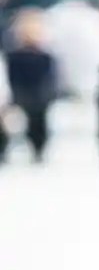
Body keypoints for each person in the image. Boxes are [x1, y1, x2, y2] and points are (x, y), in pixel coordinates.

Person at [1, 11, 58, 163]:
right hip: (26, 97)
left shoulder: (44, 57)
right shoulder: (15, 57)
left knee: (36, 123)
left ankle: (36, 149)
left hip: (32, 98)